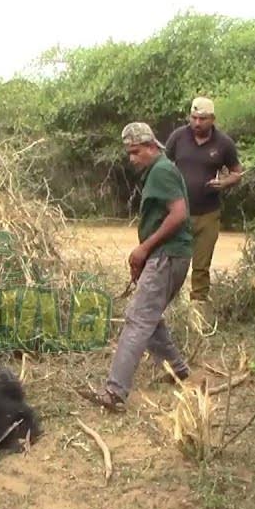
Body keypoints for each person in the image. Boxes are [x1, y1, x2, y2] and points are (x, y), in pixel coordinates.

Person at [79, 122, 194, 412]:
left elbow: (179, 214)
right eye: (129, 153)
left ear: (152, 147)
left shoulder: (162, 170)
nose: (132, 158)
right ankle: (179, 371)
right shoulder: (159, 171)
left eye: (136, 151)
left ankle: (115, 392)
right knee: (149, 317)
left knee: (138, 319)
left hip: (168, 254)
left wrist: (144, 248)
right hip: (168, 255)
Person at [163, 96, 243, 306]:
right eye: (194, 117)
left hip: (208, 213)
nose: (197, 123)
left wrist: (225, 183)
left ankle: (198, 307)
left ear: (213, 119)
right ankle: (170, 303)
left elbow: (237, 173)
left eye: (203, 119)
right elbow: (162, 166)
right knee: (174, 261)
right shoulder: (178, 137)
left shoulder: (224, 143)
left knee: (201, 265)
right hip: (179, 212)